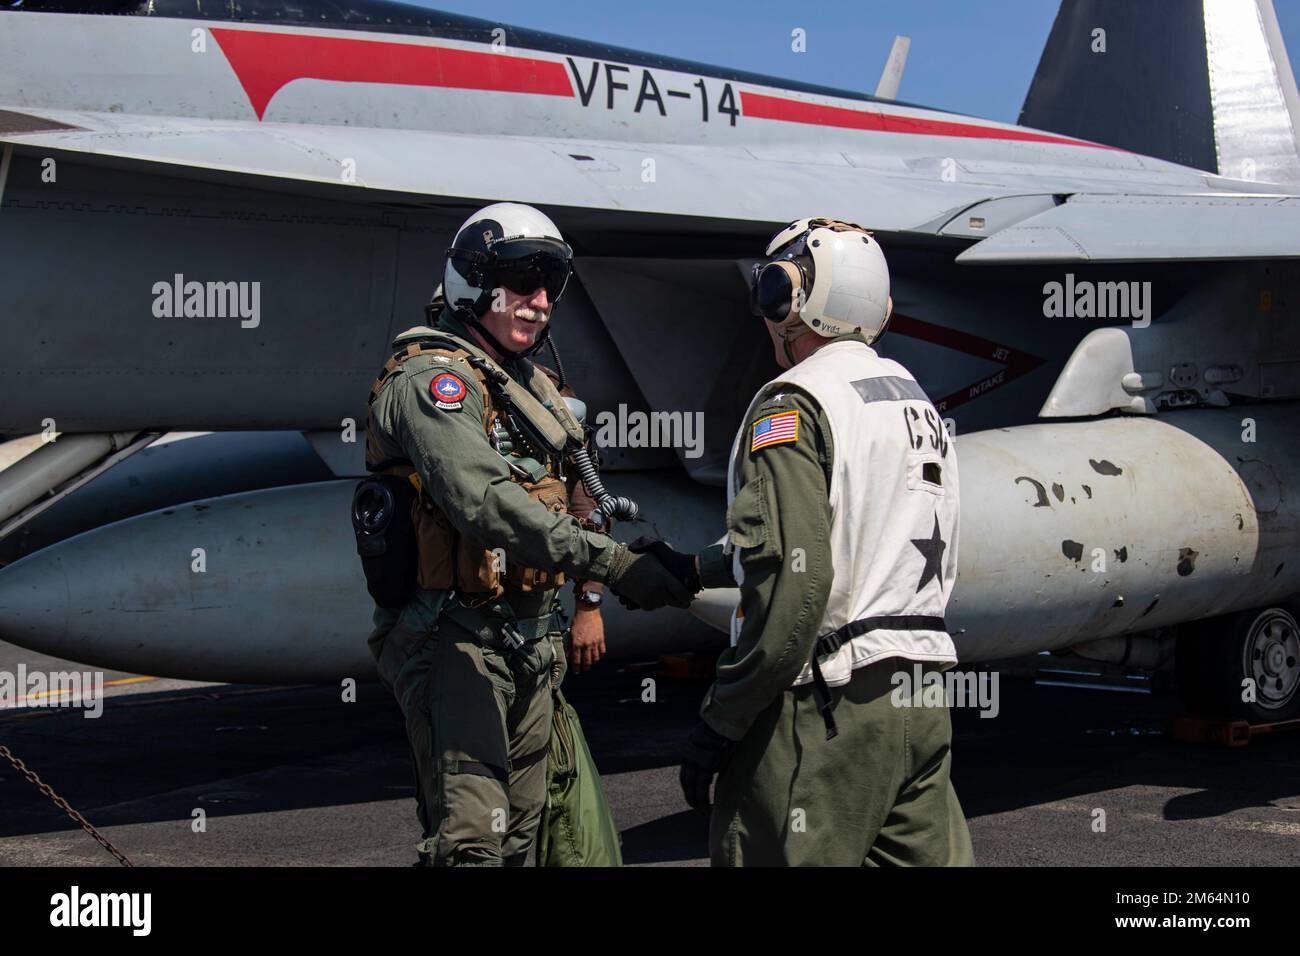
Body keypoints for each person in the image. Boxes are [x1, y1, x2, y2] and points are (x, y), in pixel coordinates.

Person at [357, 202, 690, 866]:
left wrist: (592, 592)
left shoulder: (532, 388)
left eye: (551, 285)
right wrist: (619, 567)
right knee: (471, 843)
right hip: (457, 640)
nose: (540, 301)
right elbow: (486, 504)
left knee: (520, 837)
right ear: (473, 280)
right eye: (522, 280)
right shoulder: (434, 380)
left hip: (530, 640)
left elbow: (573, 502)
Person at [646, 217, 974, 866]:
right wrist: (694, 567)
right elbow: (841, 534)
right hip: (920, 703)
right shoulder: (913, 401)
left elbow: (796, 589)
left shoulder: (792, 406)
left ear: (790, 297)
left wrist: (722, 718)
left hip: (824, 709)